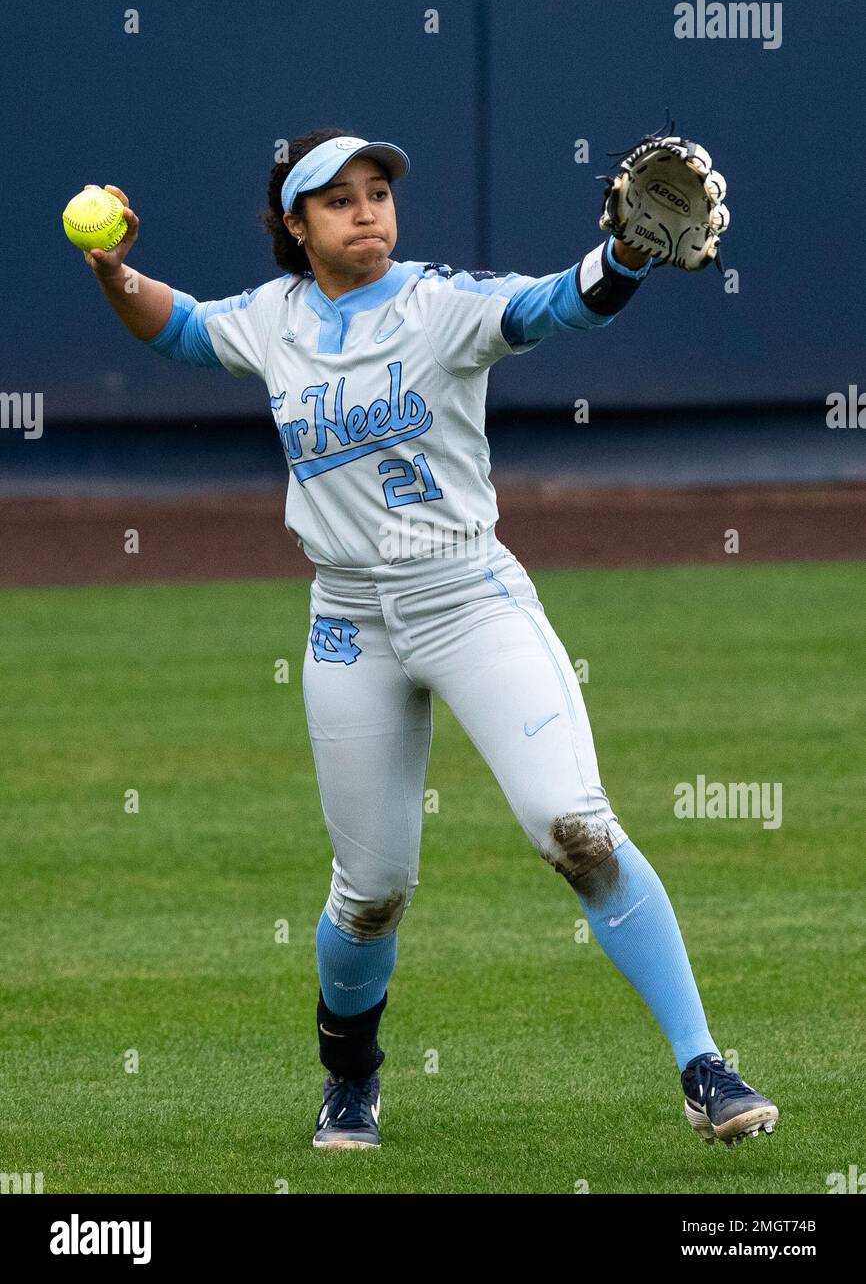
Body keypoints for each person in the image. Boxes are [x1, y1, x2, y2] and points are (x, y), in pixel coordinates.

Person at [81, 127, 778, 1153]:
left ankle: (702, 1067)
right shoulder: (271, 319)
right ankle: (349, 1080)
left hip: (468, 599)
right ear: (292, 223)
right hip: (347, 622)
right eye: (336, 198)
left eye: (377, 191)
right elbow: (178, 328)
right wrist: (112, 268)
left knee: (574, 827)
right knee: (370, 894)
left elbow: (545, 305)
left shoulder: (435, 304)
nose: (366, 209)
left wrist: (624, 255)